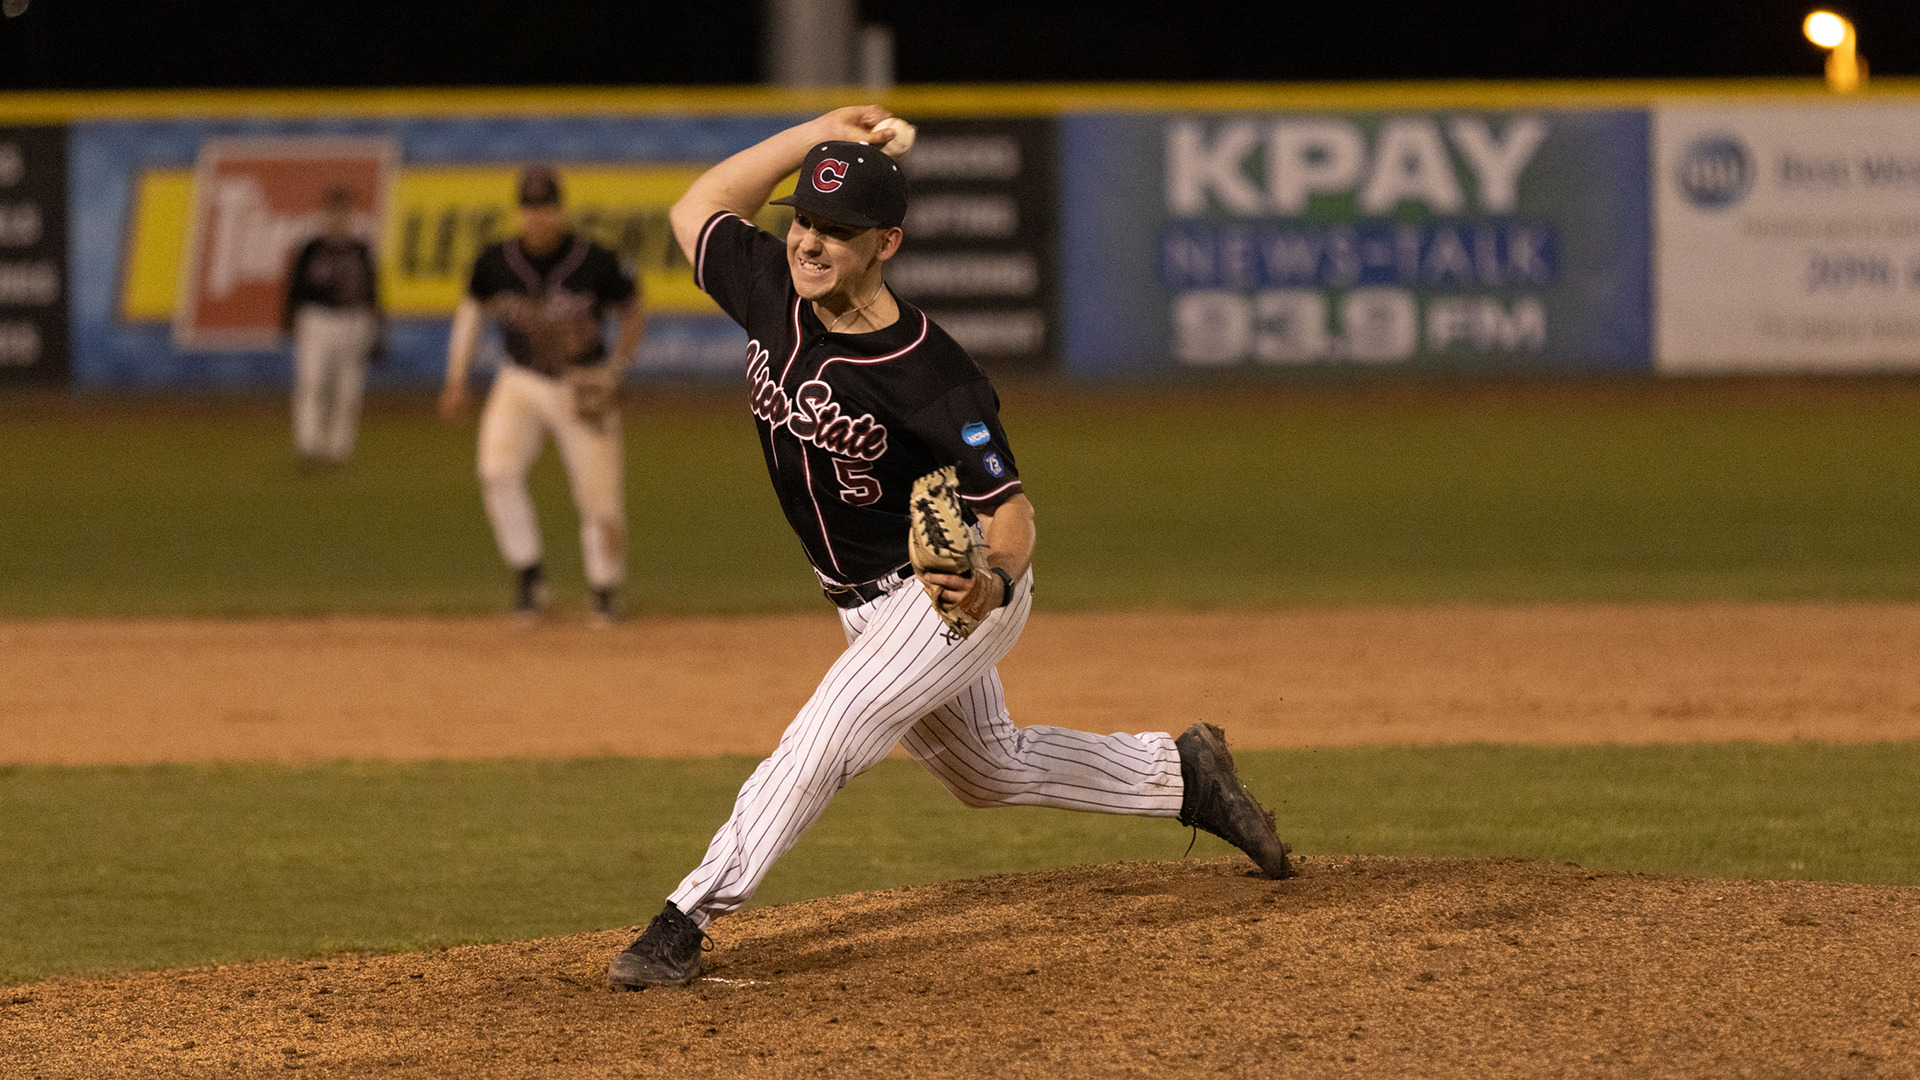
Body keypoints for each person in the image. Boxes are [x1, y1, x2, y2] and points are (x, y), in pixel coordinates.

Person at [606, 107, 1293, 990]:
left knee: (827, 734)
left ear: (886, 243)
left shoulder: (931, 374)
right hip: (858, 601)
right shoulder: (768, 287)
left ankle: (682, 923)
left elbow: (1010, 511)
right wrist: (821, 130)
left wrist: (998, 581)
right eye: (804, 222)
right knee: (986, 770)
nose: (810, 244)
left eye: (838, 232)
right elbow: (699, 205)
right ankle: (1184, 774)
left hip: (944, 593)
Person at [438, 165, 645, 622]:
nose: (538, 216)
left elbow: (632, 310)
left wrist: (616, 369)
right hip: (521, 381)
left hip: (582, 385)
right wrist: (457, 377)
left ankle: (604, 589)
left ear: (559, 209)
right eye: (530, 207)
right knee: (496, 472)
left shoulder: (596, 259)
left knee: (600, 498)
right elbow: (471, 312)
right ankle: (529, 577)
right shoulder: (495, 259)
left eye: (546, 206)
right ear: (520, 210)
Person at [282, 186, 382, 466]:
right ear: (325, 214)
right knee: (311, 383)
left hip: (353, 321)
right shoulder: (312, 249)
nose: (338, 218)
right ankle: (309, 445)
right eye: (333, 211)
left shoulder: (360, 249)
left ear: (350, 215)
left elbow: (373, 292)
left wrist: (378, 330)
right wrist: (288, 320)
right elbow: (294, 289)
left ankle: (338, 449)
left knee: (348, 390)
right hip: (316, 319)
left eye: (343, 212)